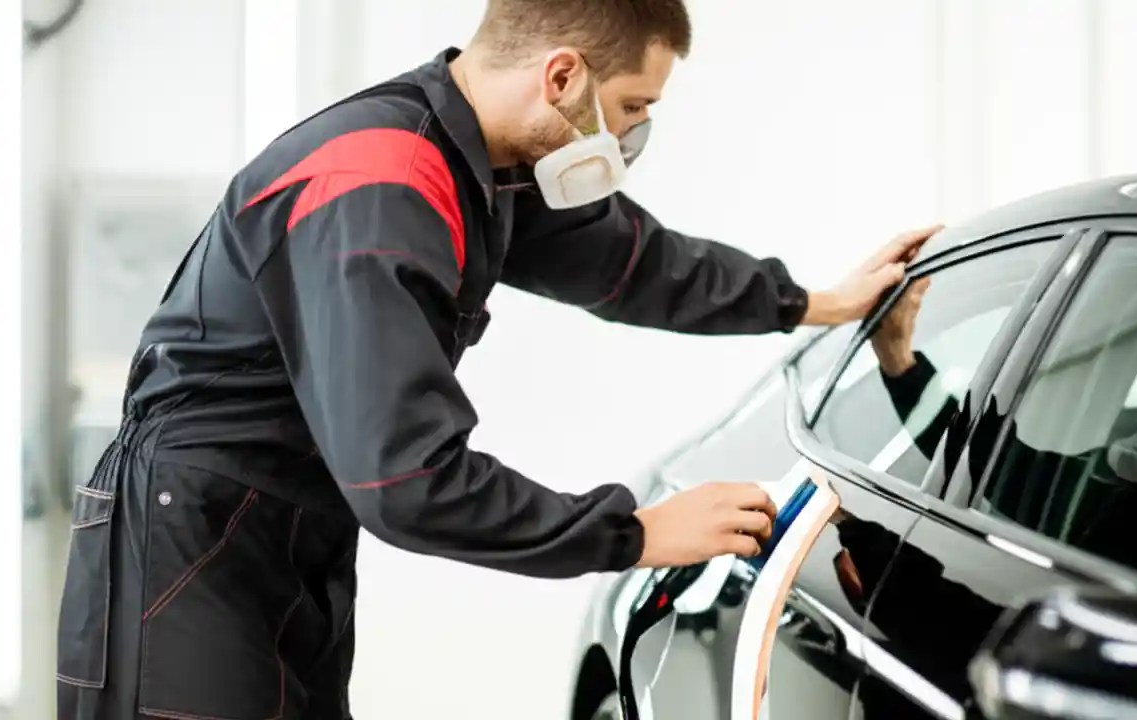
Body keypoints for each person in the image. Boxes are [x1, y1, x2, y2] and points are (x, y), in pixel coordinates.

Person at [55, 2, 938, 717]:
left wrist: (819, 303)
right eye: (635, 106)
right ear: (563, 76)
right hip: (192, 543)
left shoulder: (483, 165)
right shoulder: (383, 184)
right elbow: (407, 478)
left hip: (282, 534)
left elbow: (636, 265)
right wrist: (635, 533)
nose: (634, 134)